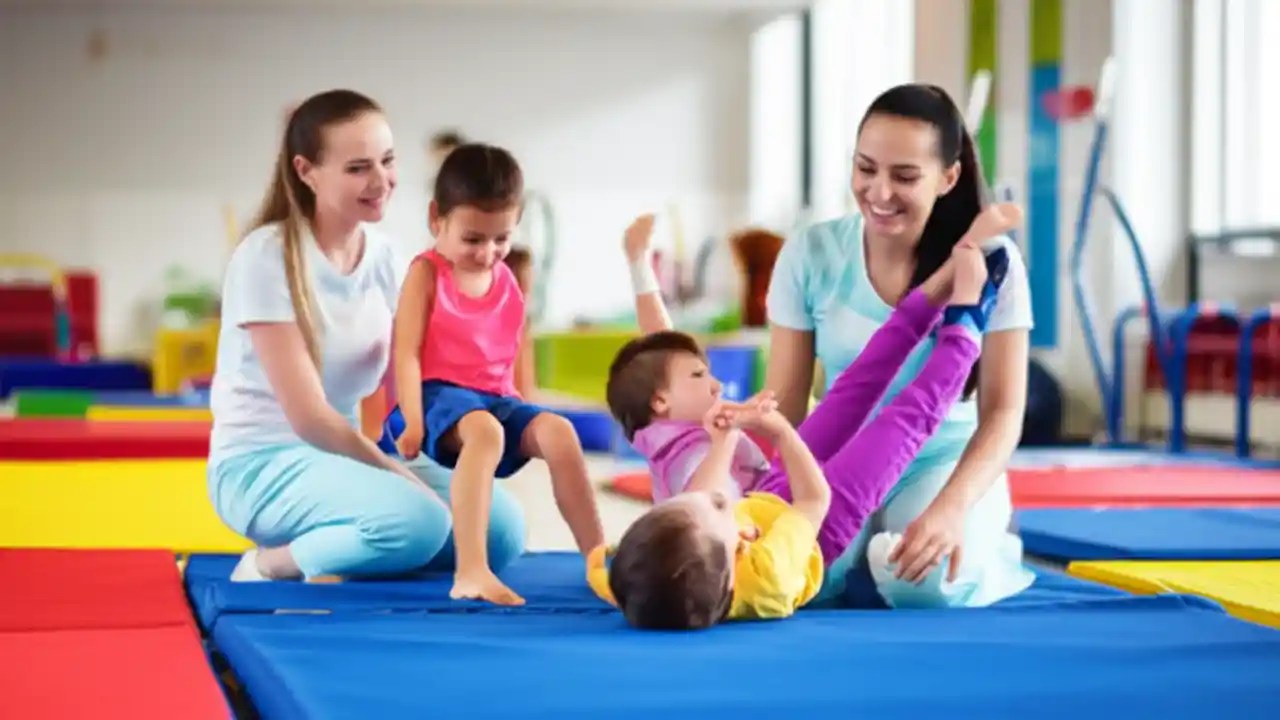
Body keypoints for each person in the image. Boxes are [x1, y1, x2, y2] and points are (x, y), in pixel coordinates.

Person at [584, 206, 1018, 630]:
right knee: (904, 421)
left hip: (773, 496)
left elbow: (610, 567)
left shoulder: (681, 554)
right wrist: (776, 433)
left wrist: (603, 562)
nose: (718, 499)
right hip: (822, 525)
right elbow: (815, 500)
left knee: (856, 385)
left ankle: (939, 285)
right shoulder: (770, 572)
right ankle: (968, 316)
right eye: (719, 506)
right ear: (737, 555)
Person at [764, 82, 1037, 609]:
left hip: (941, 460)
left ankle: (987, 537)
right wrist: (745, 495)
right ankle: (860, 560)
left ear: (948, 177)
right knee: (798, 582)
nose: (879, 192)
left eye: (904, 176)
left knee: (924, 584)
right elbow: (787, 402)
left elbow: (1003, 411)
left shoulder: (994, 262)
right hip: (843, 461)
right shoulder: (811, 253)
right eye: (865, 169)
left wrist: (952, 506)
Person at [208, 89, 481, 583]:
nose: (381, 181)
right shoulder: (265, 256)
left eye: (388, 160)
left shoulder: (387, 257)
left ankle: (355, 541)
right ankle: (269, 565)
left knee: (496, 529)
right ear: (306, 171)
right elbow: (310, 417)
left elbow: (429, 365)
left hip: (341, 458)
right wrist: (396, 476)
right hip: (260, 464)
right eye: (358, 168)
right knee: (421, 522)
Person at [380, 142, 604, 606]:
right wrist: (416, 421)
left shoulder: (506, 278)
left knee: (560, 433)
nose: (487, 253)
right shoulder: (427, 273)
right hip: (435, 397)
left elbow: (510, 351)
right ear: (435, 219)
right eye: (473, 239)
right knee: (485, 432)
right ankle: (471, 570)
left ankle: (599, 561)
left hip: (491, 398)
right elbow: (405, 352)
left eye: (501, 239)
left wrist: (527, 403)